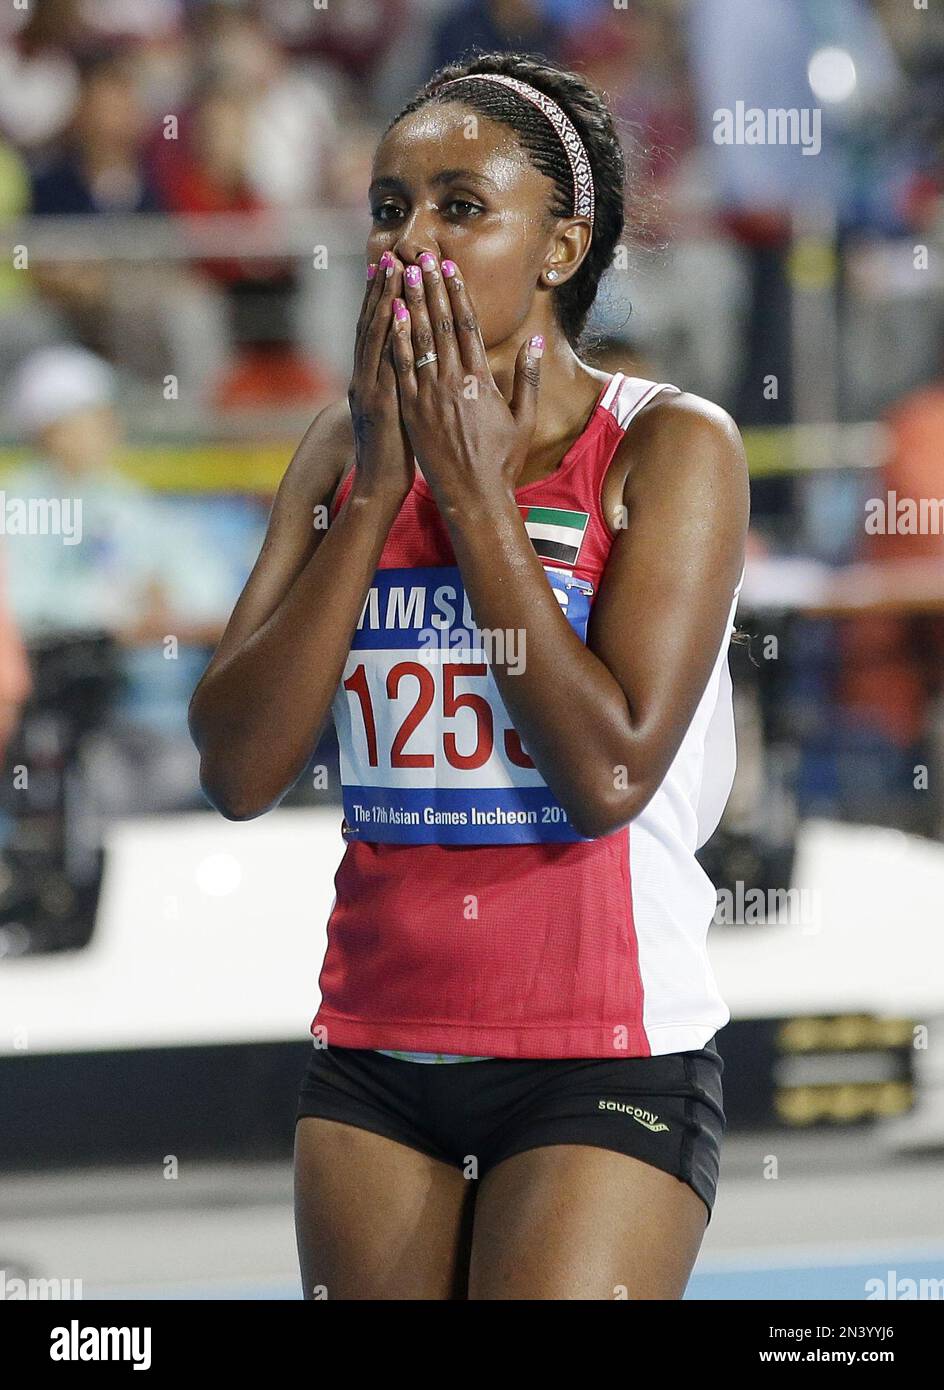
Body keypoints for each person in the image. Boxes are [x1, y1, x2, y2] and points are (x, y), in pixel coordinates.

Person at [189, 52, 749, 1301]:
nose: (410, 245)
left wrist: (475, 500)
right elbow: (236, 765)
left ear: (560, 246)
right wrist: (384, 484)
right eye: (389, 209)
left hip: (600, 1047)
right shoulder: (340, 447)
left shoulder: (666, 445)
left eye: (458, 206)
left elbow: (607, 769)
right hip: (379, 1048)